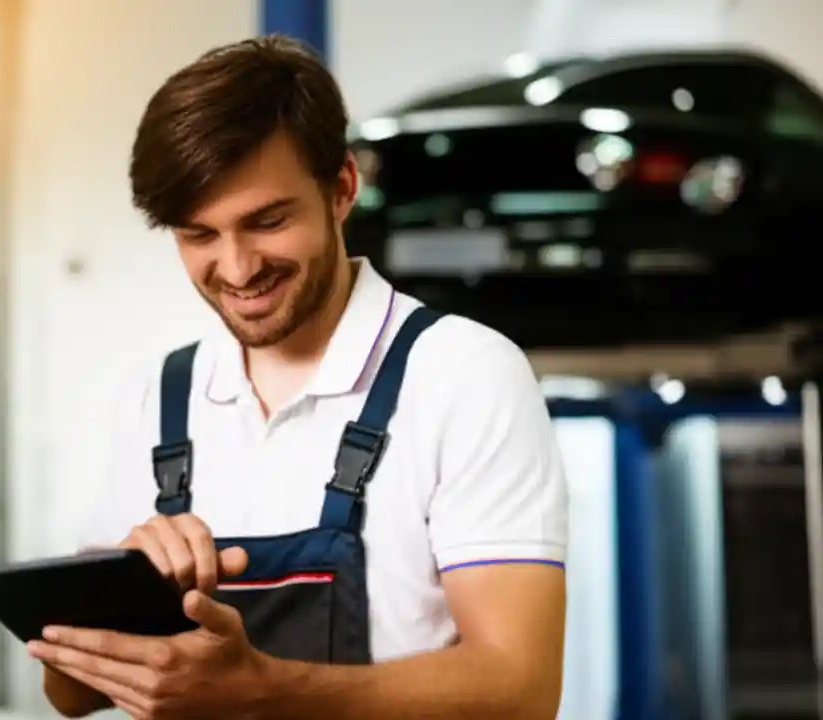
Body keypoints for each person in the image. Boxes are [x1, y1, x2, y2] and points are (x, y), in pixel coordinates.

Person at [29, 35, 569, 719]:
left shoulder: (464, 375)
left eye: (267, 221)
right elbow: (70, 694)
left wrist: (260, 687)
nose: (237, 267)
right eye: (199, 235)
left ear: (341, 189)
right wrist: (128, 591)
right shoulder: (158, 398)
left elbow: (519, 688)